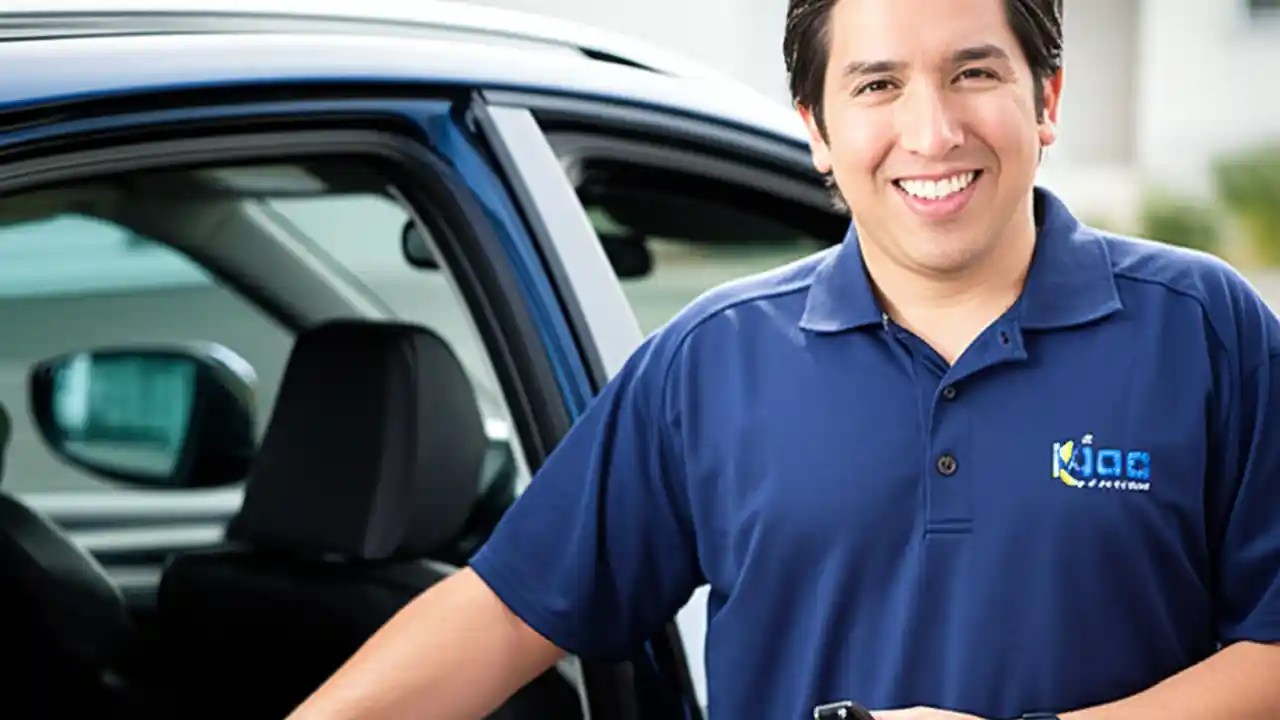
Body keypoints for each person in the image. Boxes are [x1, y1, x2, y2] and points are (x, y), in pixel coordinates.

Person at [288, 0, 1280, 717]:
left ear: (1045, 97)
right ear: (813, 126)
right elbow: (505, 615)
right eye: (876, 84)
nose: (931, 132)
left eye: (973, 73)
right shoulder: (710, 361)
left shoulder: (1203, 329)